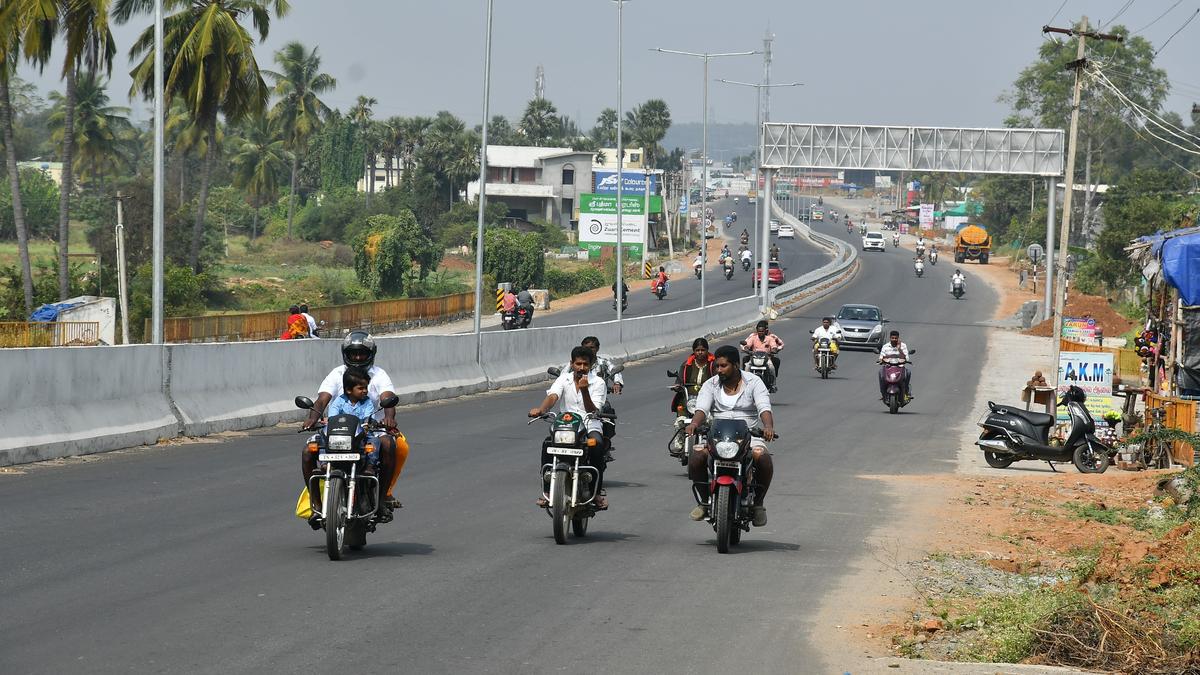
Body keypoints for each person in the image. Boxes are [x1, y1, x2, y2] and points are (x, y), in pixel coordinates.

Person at [301, 332, 406, 522]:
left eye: (362, 353)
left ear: (371, 353)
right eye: (353, 353)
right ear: (345, 354)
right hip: (336, 431)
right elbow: (322, 399)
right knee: (308, 451)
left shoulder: (378, 374)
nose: (357, 357)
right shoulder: (337, 373)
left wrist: (389, 418)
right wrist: (312, 418)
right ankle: (315, 505)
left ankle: (381, 500)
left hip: (370, 430)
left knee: (389, 445)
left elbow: (387, 398)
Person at [684, 345, 776, 526]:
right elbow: (701, 408)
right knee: (696, 457)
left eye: (723, 366)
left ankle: (758, 504)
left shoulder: (754, 382)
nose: (719, 370)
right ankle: (704, 502)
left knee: (763, 458)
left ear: (735, 365)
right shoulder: (711, 384)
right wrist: (695, 424)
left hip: (748, 435)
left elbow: (764, 407)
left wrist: (768, 426)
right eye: (717, 366)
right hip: (717, 435)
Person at [529, 346, 610, 509]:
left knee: (597, 445)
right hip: (566, 424)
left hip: (589, 423)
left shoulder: (599, 383)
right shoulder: (563, 379)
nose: (581, 368)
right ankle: (548, 492)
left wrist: (585, 390)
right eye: (578, 364)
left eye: (585, 364)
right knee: (547, 445)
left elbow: (593, 410)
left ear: (591, 364)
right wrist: (541, 410)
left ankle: (596, 493)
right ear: (572, 363)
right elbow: (553, 396)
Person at [323, 367, 381, 474]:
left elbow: (368, 418)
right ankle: (325, 463)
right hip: (340, 434)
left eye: (366, 388)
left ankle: (370, 465)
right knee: (321, 437)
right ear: (349, 390)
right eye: (360, 388)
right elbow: (332, 418)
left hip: (360, 434)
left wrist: (369, 423)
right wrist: (328, 421)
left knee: (375, 441)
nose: (365, 391)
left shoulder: (367, 402)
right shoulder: (339, 401)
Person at [671, 337, 716, 412]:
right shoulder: (686, 365)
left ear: (707, 350)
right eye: (697, 350)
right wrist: (677, 386)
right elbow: (679, 380)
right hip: (689, 399)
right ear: (694, 351)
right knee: (681, 417)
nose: (700, 352)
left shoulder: (714, 364)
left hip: (708, 397)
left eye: (703, 350)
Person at [741, 319, 785, 392]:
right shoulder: (753, 338)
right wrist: (746, 348)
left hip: (767, 359)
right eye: (759, 331)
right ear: (757, 331)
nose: (760, 333)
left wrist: (774, 349)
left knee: (771, 367)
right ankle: (745, 384)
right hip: (754, 358)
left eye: (762, 331)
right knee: (747, 366)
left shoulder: (770, 338)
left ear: (765, 331)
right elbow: (748, 345)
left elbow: (774, 346)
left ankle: (773, 385)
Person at [877, 330, 913, 400]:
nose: (894, 340)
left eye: (895, 338)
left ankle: (905, 392)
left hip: (899, 367)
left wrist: (899, 349)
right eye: (892, 338)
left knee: (908, 372)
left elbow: (907, 358)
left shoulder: (903, 345)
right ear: (890, 338)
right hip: (888, 367)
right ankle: (883, 392)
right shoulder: (885, 346)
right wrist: (881, 360)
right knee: (880, 373)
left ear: (898, 338)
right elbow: (881, 357)